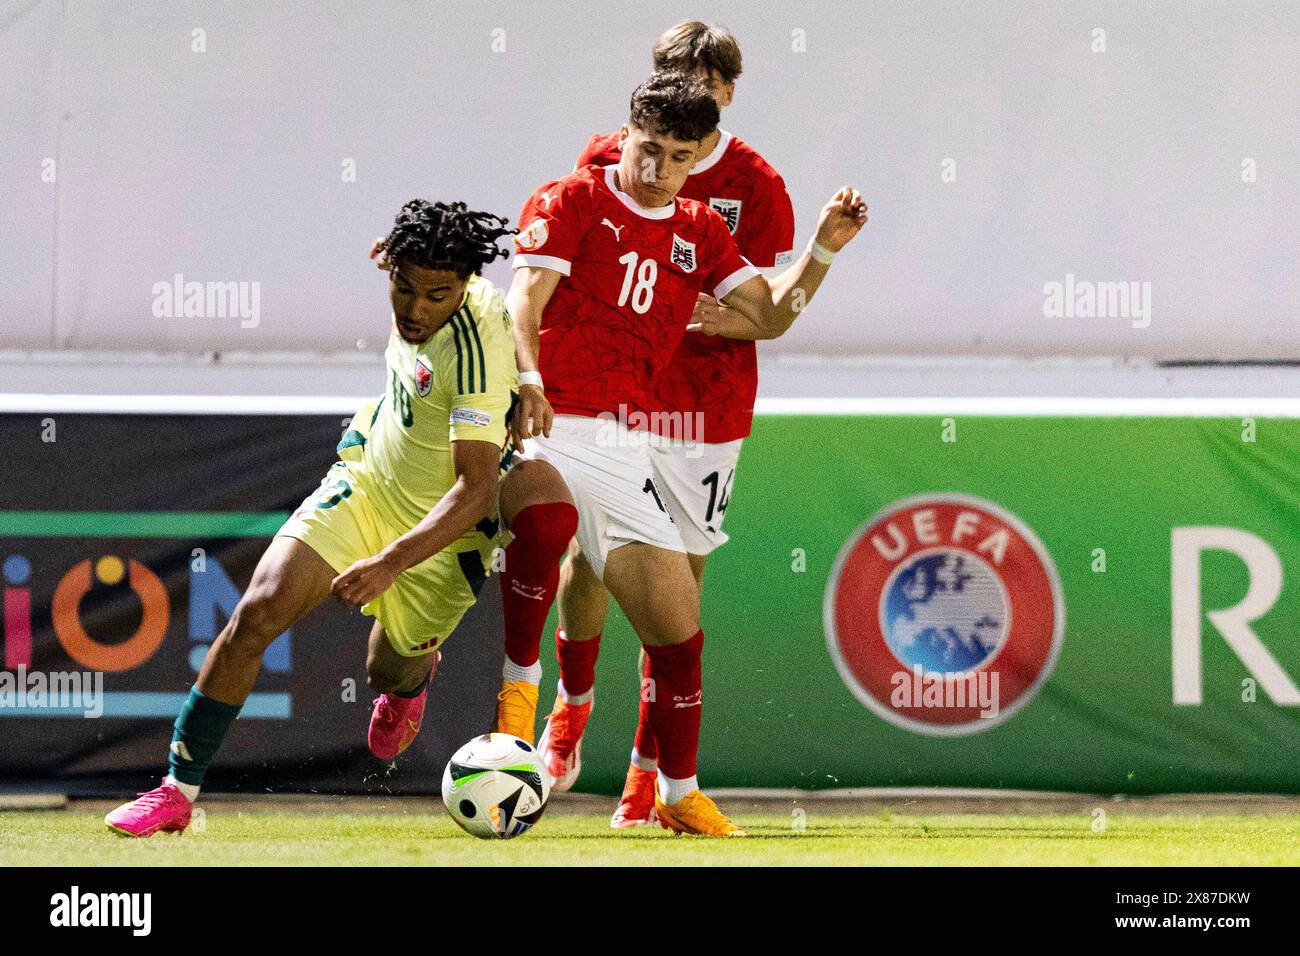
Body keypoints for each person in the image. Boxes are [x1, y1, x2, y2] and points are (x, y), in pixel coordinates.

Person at [499, 69, 867, 835]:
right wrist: (529, 379)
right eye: (647, 147)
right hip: (547, 423)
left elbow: (768, 319)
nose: (656, 167)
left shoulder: (702, 228)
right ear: (625, 135)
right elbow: (523, 298)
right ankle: (516, 730)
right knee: (542, 541)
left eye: (676, 155)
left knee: (678, 628)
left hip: (625, 442)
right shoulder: (574, 197)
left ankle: (675, 793)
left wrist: (823, 254)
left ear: (699, 155)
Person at [104, 199, 519, 837]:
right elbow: (437, 273)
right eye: (404, 289)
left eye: (436, 297)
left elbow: (475, 487)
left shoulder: (476, 351)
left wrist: (388, 563)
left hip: (444, 535)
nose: (415, 310)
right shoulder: (421, 276)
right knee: (257, 611)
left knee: (388, 668)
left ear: (465, 286)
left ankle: (408, 687)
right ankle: (176, 789)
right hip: (368, 484)